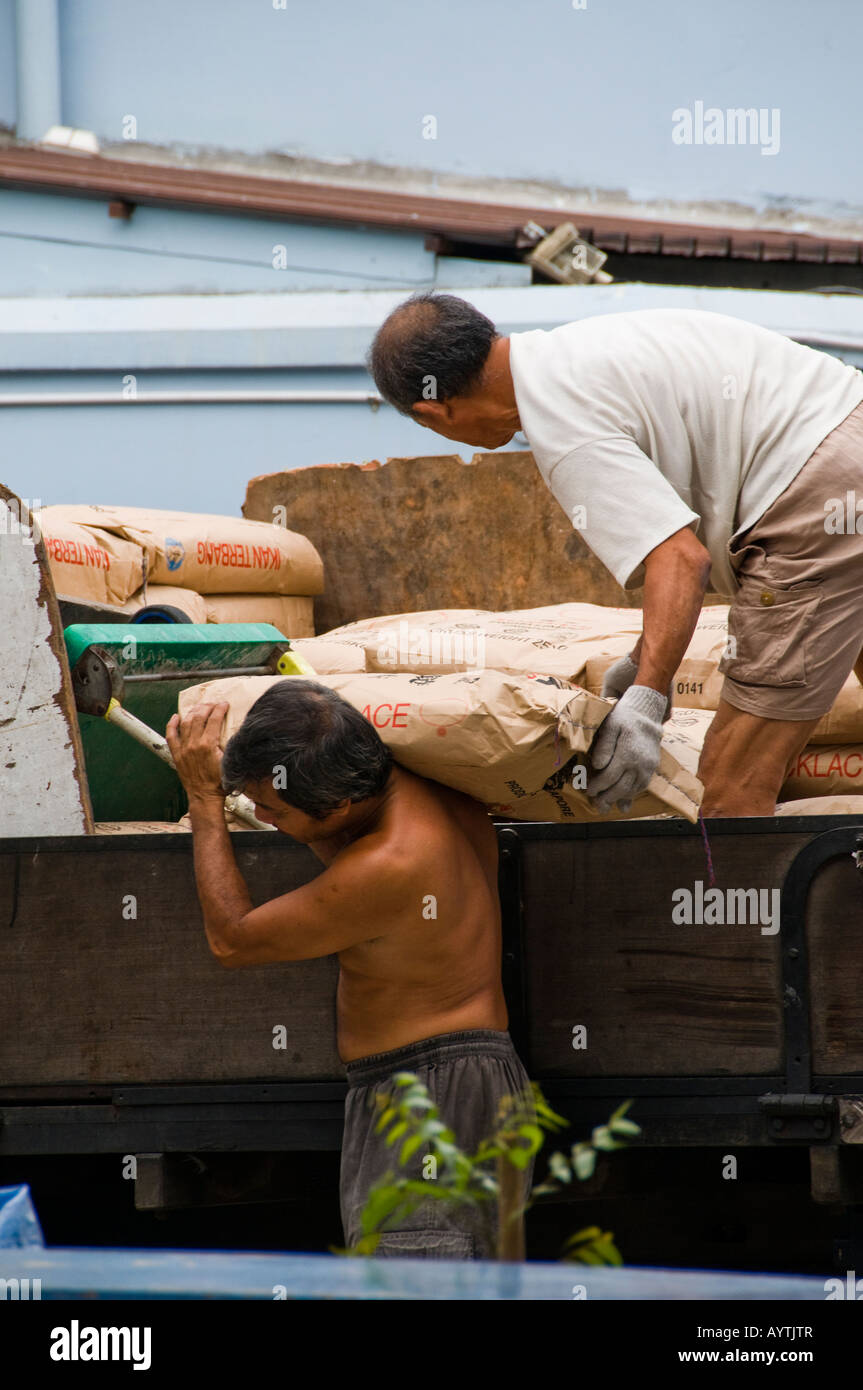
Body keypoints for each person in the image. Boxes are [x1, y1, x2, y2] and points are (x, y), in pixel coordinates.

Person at [368, 292, 863, 816]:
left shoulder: (559, 418)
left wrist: (646, 701)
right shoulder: (576, 350)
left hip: (820, 500)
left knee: (733, 782)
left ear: (434, 410)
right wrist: (643, 661)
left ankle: (734, 898)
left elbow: (679, 559)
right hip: (847, 428)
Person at [166, 680, 532, 1258]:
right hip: (464, 1081)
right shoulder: (425, 799)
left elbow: (233, 942)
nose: (259, 815)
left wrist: (204, 799)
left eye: (272, 808)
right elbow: (342, 862)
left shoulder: (391, 863)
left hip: (428, 1092)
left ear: (336, 805)